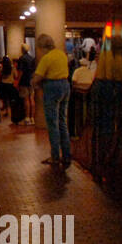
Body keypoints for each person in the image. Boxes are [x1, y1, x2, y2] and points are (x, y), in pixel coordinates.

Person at [31, 33, 71, 168]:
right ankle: (67, 155)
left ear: (42, 47)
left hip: (52, 87)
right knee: (62, 122)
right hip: (65, 86)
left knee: (52, 124)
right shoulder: (61, 54)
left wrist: (34, 82)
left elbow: (37, 78)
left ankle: (55, 156)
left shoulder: (46, 58)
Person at [16, 44, 36, 125]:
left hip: (24, 81)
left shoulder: (22, 58)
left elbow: (20, 71)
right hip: (31, 80)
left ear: (22, 50)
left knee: (26, 99)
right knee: (32, 99)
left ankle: (27, 118)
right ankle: (32, 118)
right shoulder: (32, 58)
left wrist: (17, 82)